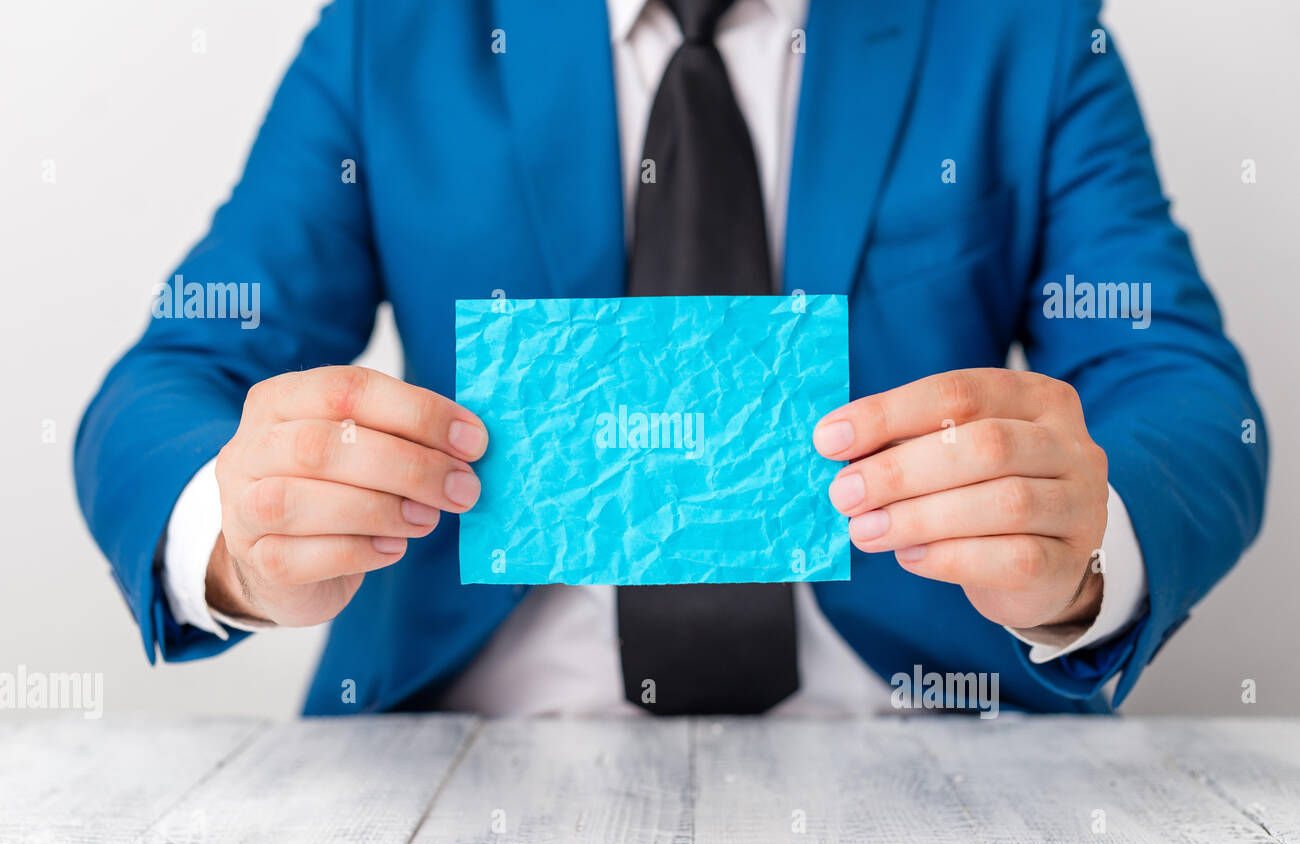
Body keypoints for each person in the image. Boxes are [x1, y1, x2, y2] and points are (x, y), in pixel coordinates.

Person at [75, 0, 1268, 717]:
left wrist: (1085, 541)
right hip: (469, 741)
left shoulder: (1023, 28)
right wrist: (229, 532)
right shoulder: (397, 29)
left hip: (933, 735)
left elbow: (1182, 391)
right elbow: (170, 377)